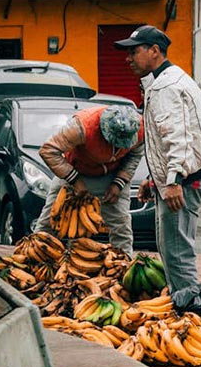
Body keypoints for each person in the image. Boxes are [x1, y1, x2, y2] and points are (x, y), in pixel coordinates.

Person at [115, 24, 201, 293]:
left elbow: (178, 137)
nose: (127, 59)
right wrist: (154, 178)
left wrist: (173, 180)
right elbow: (169, 137)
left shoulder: (166, 86)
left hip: (184, 180)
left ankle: (188, 312)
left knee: (177, 253)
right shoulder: (167, 81)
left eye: (133, 52)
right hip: (183, 177)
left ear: (155, 51)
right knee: (171, 249)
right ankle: (182, 303)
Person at [35, 104, 144, 257]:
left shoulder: (139, 129)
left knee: (121, 225)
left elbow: (135, 155)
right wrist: (74, 179)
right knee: (49, 221)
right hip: (75, 171)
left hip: (113, 174)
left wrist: (119, 182)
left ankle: (123, 266)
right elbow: (48, 151)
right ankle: (35, 257)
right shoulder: (81, 127)